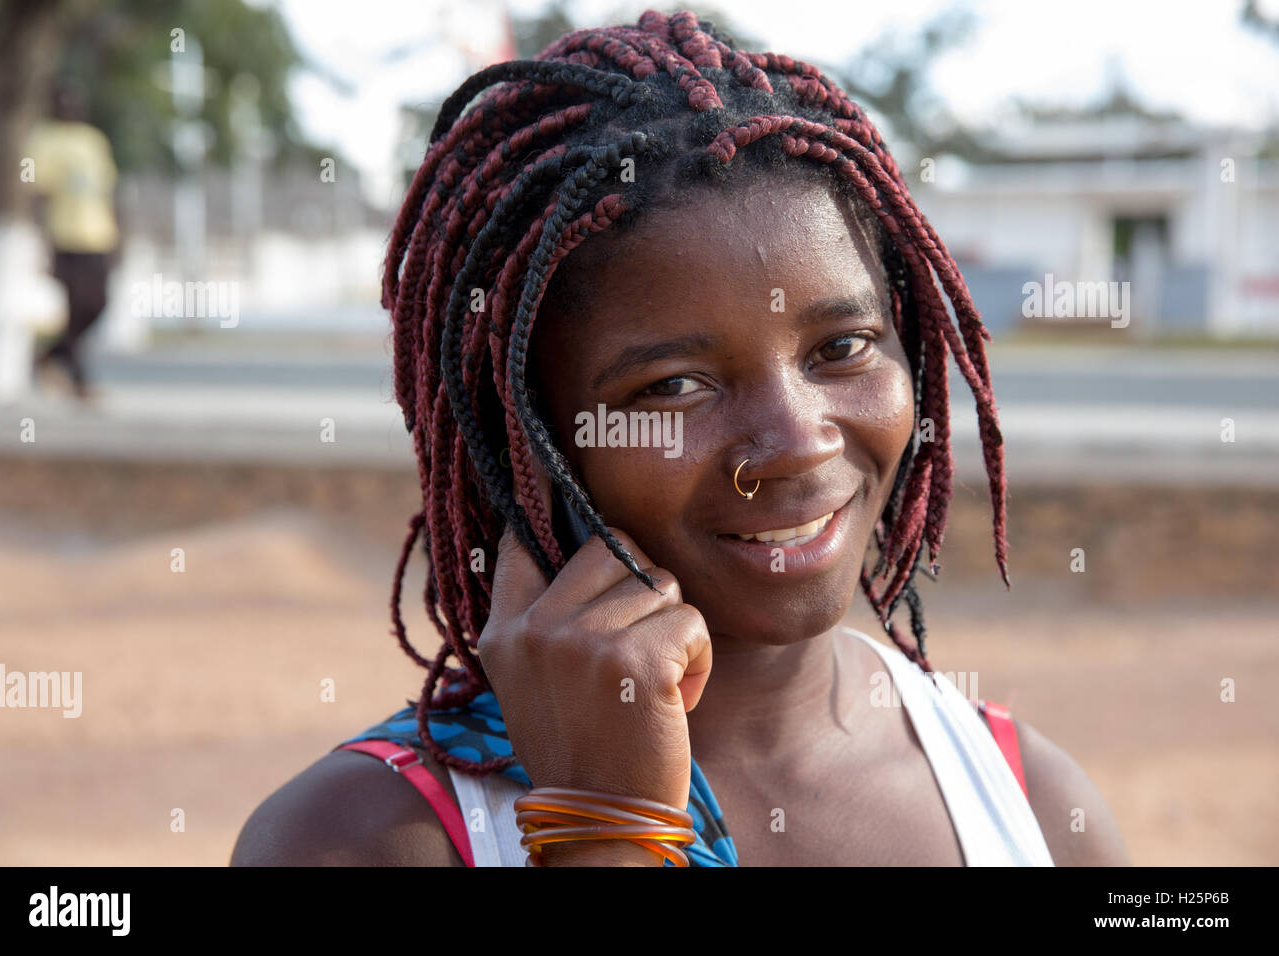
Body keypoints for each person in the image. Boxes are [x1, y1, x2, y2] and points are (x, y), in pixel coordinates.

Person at [232, 9, 1129, 867]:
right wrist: (605, 833)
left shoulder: (1034, 804)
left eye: (842, 347)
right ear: (529, 439)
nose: (796, 443)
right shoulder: (357, 841)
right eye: (674, 386)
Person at [25, 79, 119, 402]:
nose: (69, 106)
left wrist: (119, 237)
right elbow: (36, 194)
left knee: (97, 304)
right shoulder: (43, 140)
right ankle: (81, 381)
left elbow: (107, 192)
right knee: (75, 307)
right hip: (65, 237)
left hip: (99, 235)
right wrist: (38, 240)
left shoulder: (94, 141)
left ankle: (48, 359)